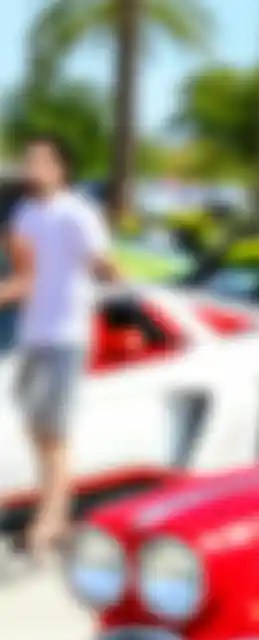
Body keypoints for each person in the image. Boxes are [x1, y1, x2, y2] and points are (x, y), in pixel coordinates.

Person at [0, 136, 121, 558]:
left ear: (60, 169)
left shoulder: (79, 214)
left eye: (39, 160)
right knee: (36, 428)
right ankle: (55, 513)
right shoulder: (25, 214)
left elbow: (104, 264)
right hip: (32, 335)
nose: (30, 165)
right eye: (27, 158)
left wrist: (109, 271)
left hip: (67, 336)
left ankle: (51, 521)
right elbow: (23, 278)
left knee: (55, 434)